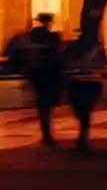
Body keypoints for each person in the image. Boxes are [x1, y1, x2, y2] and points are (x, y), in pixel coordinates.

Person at [14, 13, 63, 146]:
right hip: (48, 74)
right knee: (46, 106)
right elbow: (57, 55)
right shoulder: (52, 37)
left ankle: (46, 133)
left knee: (43, 106)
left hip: (36, 74)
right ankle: (47, 134)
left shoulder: (30, 37)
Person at [63, 32, 107, 152]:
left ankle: (83, 136)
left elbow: (65, 62)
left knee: (81, 110)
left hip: (80, 82)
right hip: (89, 82)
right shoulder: (96, 47)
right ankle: (83, 135)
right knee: (84, 111)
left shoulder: (73, 47)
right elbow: (104, 64)